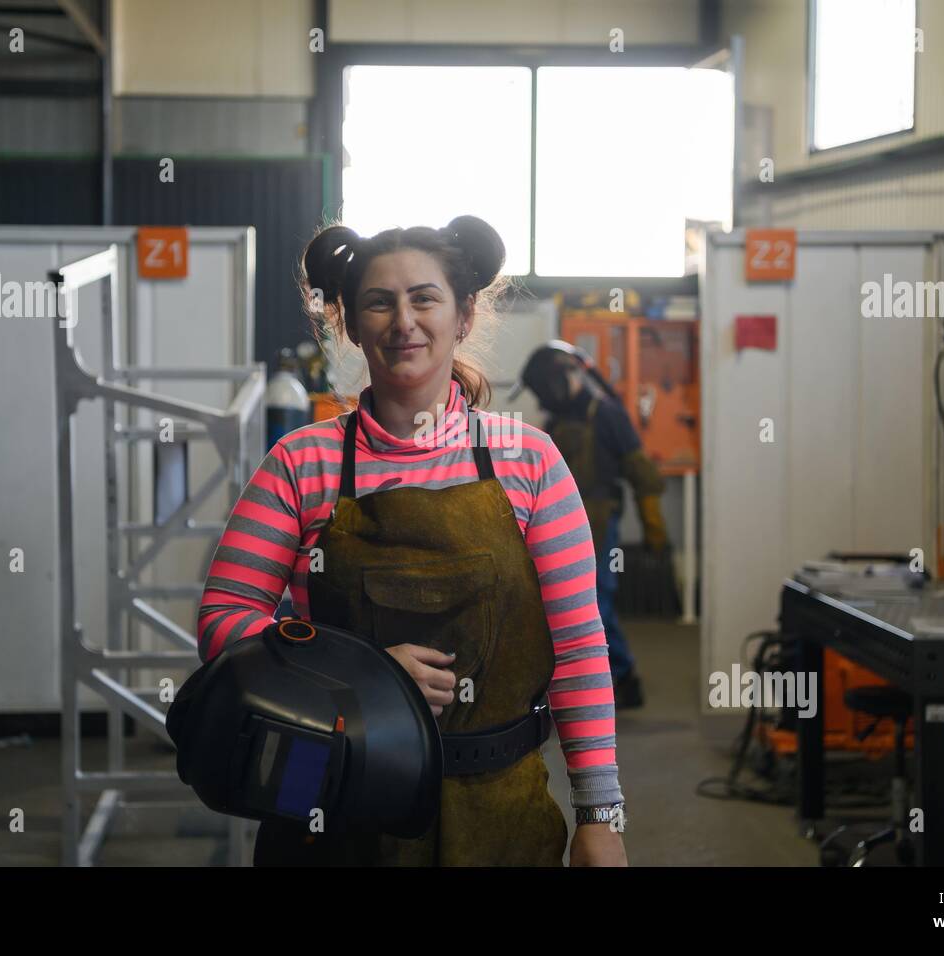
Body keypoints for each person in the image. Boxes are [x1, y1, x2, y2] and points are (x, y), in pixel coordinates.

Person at [196, 216, 627, 867]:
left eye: (424, 297)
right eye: (379, 302)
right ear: (349, 323)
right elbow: (221, 622)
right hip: (332, 801)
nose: (404, 321)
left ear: (462, 314)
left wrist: (600, 814)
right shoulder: (301, 462)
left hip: (498, 811)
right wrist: (360, 675)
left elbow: (579, 648)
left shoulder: (528, 461)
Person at [513, 341, 669, 709]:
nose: (542, 400)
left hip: (601, 526)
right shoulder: (558, 421)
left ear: (558, 381)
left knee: (596, 604)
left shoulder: (607, 414)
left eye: (542, 390)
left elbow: (643, 476)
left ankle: (624, 675)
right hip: (556, 527)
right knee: (559, 605)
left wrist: (654, 527)